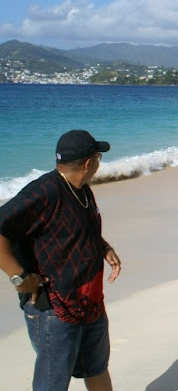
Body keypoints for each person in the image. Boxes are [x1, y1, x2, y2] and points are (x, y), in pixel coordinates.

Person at [0, 130, 122, 391]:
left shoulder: (82, 190)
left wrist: (103, 246)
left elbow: (72, 229)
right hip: (54, 308)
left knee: (97, 368)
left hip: (89, 303)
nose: (100, 163)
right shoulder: (44, 193)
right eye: (98, 157)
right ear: (89, 163)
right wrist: (19, 277)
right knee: (52, 384)